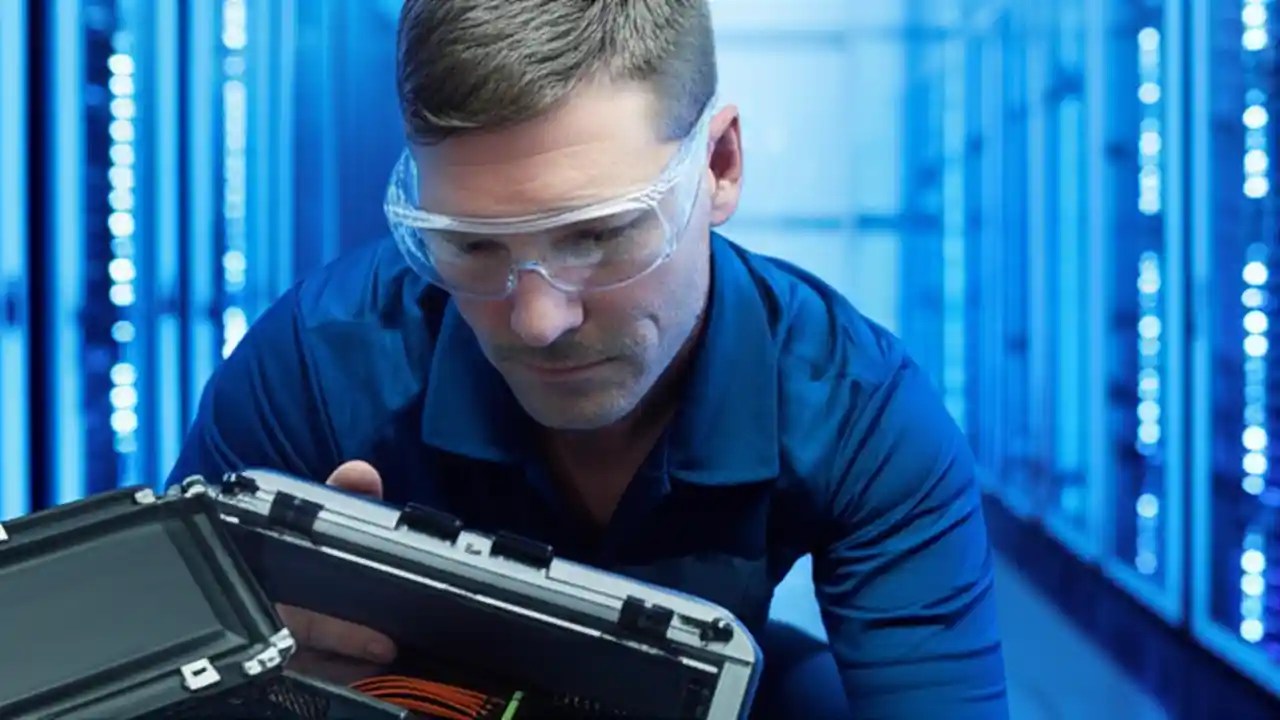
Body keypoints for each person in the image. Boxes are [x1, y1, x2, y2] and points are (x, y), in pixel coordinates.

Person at [167, 0, 1009, 717]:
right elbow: (140, 669)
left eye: (600, 235)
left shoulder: (859, 410)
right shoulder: (320, 360)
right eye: (470, 246)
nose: (536, 320)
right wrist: (260, 691)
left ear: (718, 167)